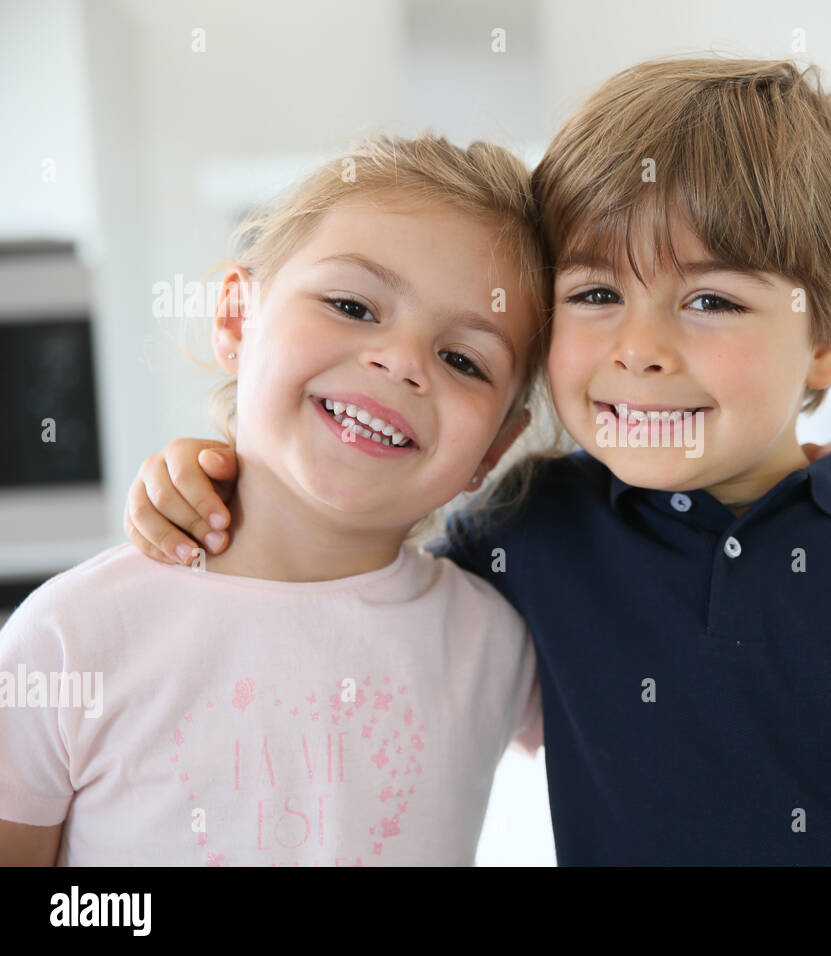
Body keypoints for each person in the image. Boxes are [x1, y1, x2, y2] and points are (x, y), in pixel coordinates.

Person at [127, 56, 831, 866]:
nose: (640, 347)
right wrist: (217, 473)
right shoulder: (526, 531)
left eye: (710, 300)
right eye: (593, 293)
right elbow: (338, 558)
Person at [0, 132, 551, 865]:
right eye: (354, 305)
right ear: (236, 317)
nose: (400, 361)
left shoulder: (498, 641)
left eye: (462, 360)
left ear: (494, 447)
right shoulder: (72, 637)